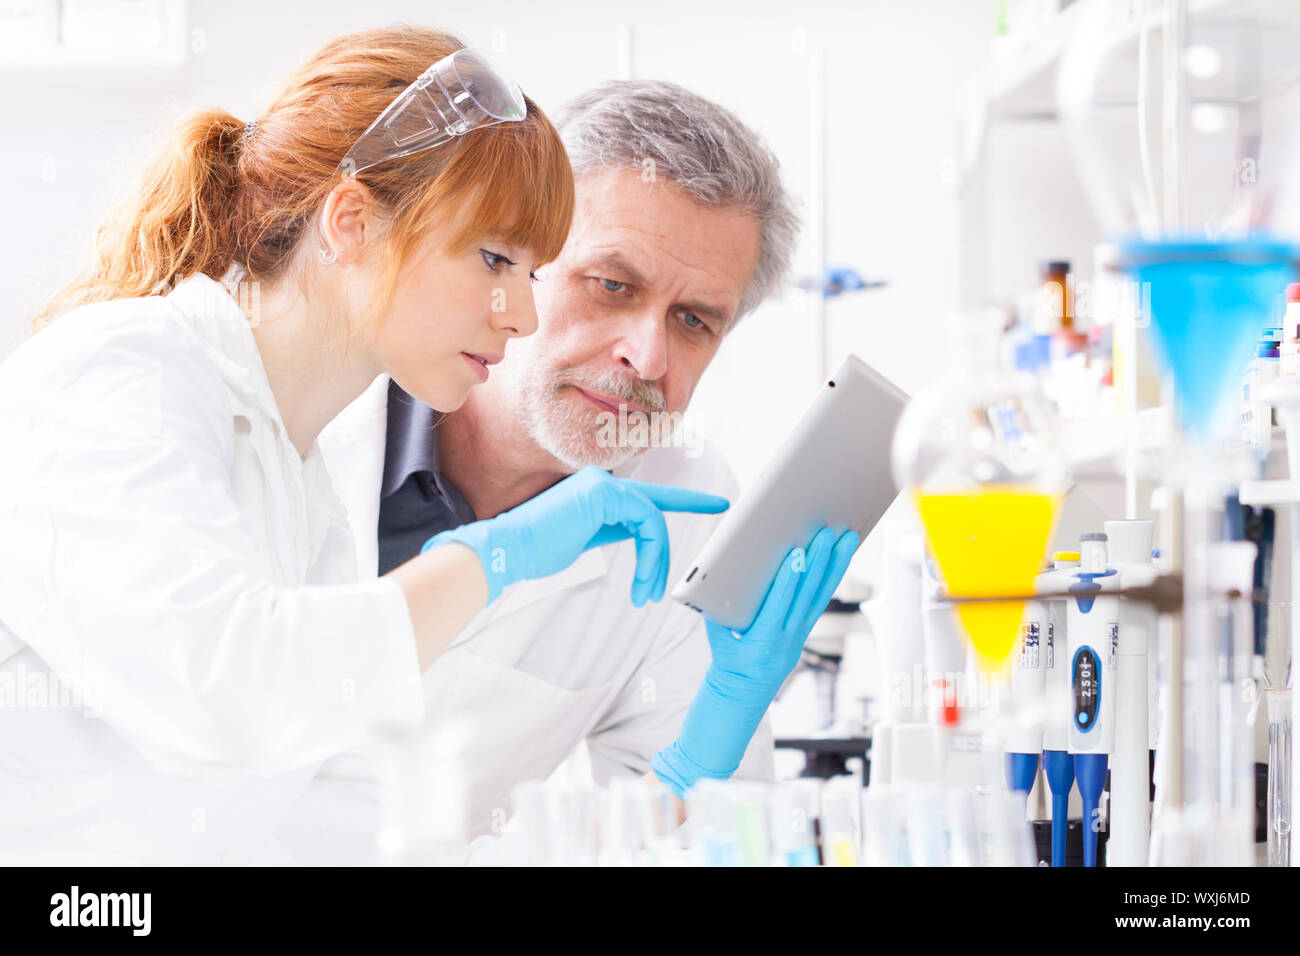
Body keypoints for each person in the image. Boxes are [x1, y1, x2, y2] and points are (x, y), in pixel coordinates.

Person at [0, 28, 726, 865]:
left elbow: (332, 833)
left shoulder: (304, 494)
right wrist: (487, 559)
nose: (521, 316)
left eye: (529, 274)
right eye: (494, 257)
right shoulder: (120, 375)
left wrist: (691, 767)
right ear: (351, 222)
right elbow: (225, 692)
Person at [309, 80, 859, 857]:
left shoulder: (689, 505)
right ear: (519, 253)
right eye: (612, 286)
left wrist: (702, 759)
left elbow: (687, 843)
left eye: (695, 320)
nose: (649, 355)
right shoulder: (316, 418)